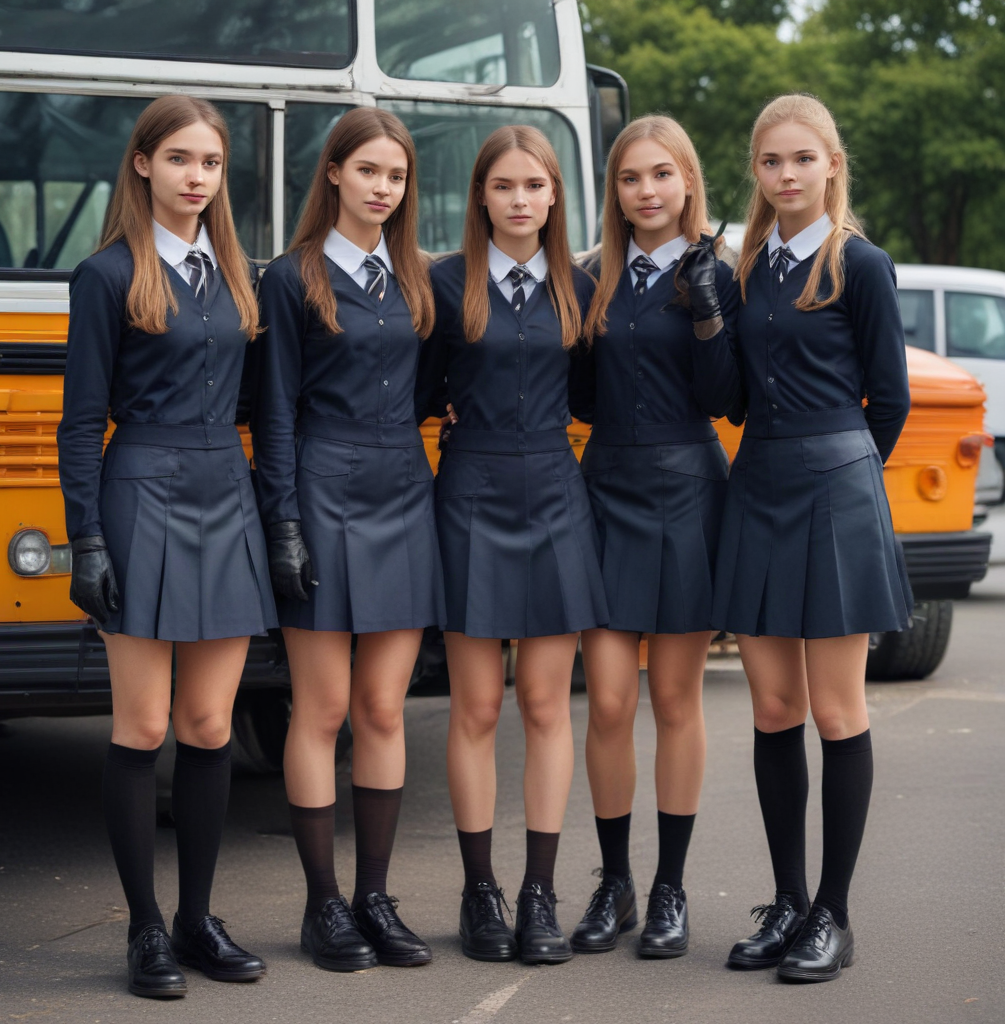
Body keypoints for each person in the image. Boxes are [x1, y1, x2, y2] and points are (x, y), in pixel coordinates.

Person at [57, 95, 275, 999]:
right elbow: (79, 423)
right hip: (139, 494)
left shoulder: (235, 273)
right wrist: (86, 541)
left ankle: (196, 920)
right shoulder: (105, 275)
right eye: (181, 159)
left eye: (212, 163)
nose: (198, 176)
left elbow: (264, 405)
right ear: (143, 164)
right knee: (143, 726)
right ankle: (145, 931)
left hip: (224, 494)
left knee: (211, 725)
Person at [712, 93, 911, 982]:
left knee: (837, 712)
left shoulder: (860, 264)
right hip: (756, 485)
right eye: (770, 162)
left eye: (801, 159)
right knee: (772, 711)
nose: (786, 175)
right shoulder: (747, 267)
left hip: (834, 489)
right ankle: (788, 903)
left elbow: (892, 398)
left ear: (831, 163)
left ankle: (834, 914)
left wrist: (851, 481)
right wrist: (712, 315)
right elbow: (736, 400)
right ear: (755, 172)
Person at [254, 107, 442, 971]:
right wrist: (284, 521)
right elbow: (276, 412)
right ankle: (322, 906)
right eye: (368, 170)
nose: (382, 187)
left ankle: (375, 898)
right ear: (333, 173)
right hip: (322, 495)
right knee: (322, 710)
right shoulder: (290, 279)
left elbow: (428, 392)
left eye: (396, 176)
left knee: (381, 710)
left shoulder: (417, 275)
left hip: (403, 495)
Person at [416, 125, 607, 966]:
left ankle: (539, 893)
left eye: (535, 185)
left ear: (555, 196)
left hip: (556, 495)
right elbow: (418, 395)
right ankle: (480, 892)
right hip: (470, 496)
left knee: (542, 705)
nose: (521, 198)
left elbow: (596, 395)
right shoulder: (446, 284)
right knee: (478, 706)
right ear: (482, 197)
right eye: (504, 186)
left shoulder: (583, 285)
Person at [568, 115, 742, 958]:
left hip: (684, 489)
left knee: (674, 701)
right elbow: (578, 395)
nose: (646, 191)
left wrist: (709, 311)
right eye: (631, 177)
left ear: (686, 183)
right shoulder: (591, 275)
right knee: (606, 701)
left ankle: (670, 889)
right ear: (616, 190)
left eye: (661, 175)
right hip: (605, 491)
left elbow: (725, 396)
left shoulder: (718, 272)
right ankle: (615, 886)